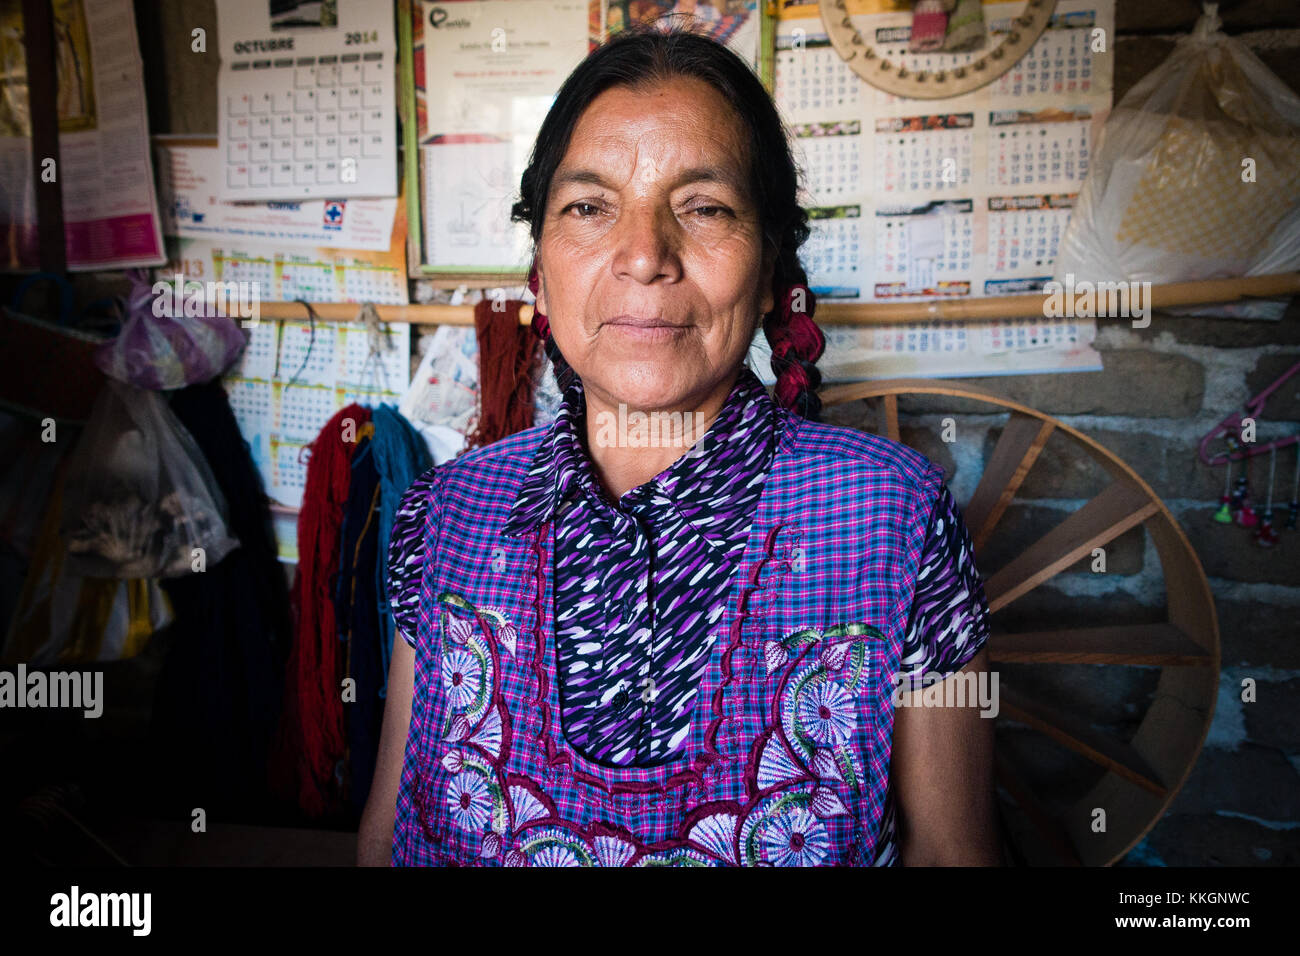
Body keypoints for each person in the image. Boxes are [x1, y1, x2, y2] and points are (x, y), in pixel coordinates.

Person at [358, 22, 1000, 867]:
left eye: (702, 208)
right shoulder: (447, 517)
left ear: (772, 265)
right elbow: (389, 836)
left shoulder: (891, 515)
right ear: (540, 268)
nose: (644, 255)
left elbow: (953, 857)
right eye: (589, 207)